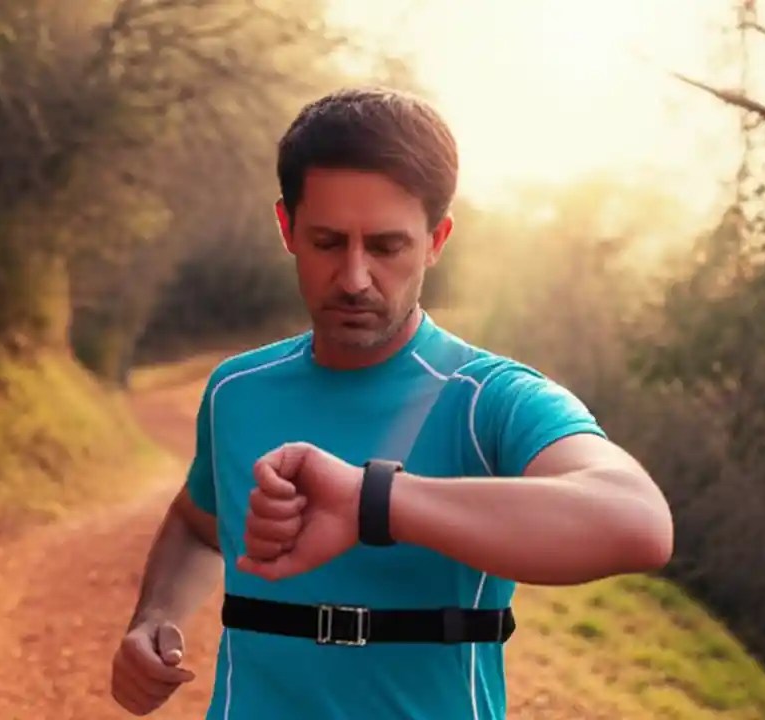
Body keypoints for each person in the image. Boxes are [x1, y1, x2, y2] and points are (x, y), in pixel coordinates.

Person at [109, 86, 674, 720]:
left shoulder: (489, 400)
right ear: (286, 228)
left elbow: (638, 523)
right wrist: (153, 616)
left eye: (386, 246)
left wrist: (372, 502)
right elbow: (198, 520)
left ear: (436, 240)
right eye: (327, 242)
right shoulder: (236, 390)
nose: (353, 278)